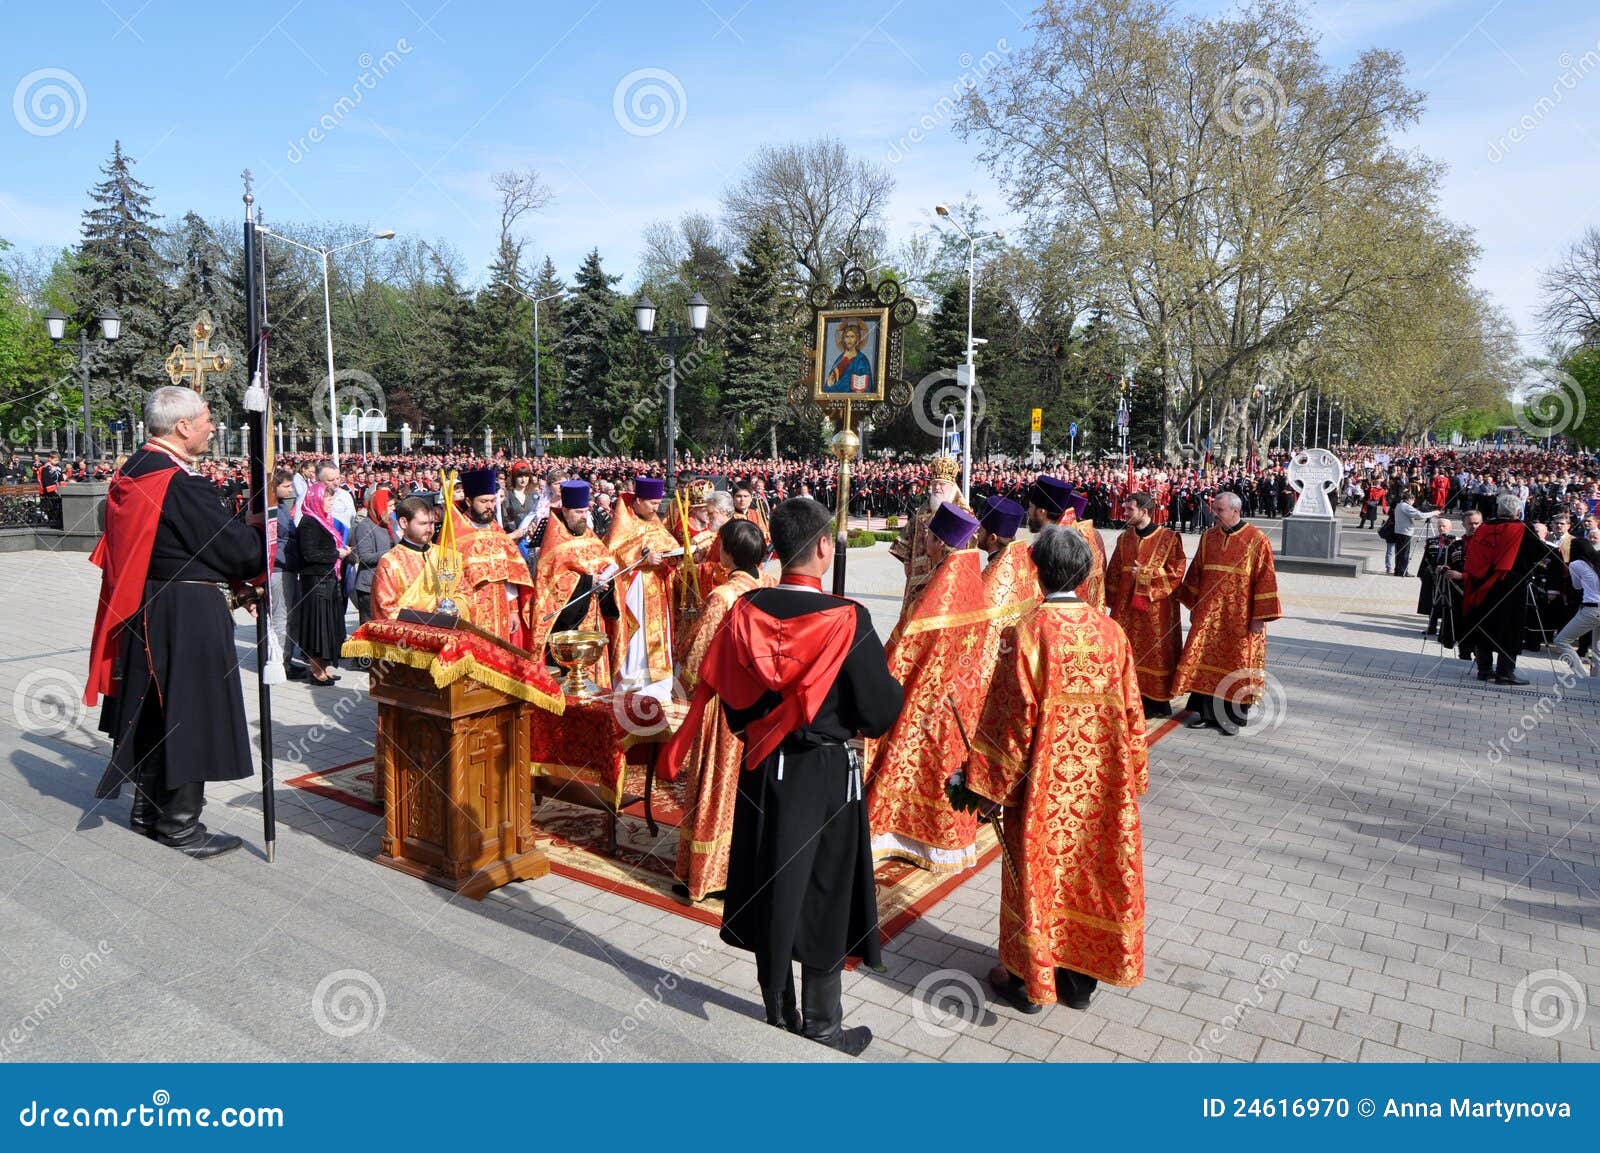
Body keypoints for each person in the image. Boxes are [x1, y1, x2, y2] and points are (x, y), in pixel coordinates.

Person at [661, 497, 903, 1054]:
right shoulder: (848, 619)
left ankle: (777, 1007)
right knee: (823, 887)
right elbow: (882, 710)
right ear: (824, 546)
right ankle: (822, 1023)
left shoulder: (745, 611)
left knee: (770, 878)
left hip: (764, 766)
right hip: (825, 775)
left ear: (775, 547)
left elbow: (730, 700)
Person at [964, 525, 1147, 1013]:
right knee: (1089, 875)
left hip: (1042, 789)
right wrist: (1134, 776)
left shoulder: (1025, 632)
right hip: (1104, 787)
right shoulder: (1112, 632)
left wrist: (987, 785)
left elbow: (1009, 720)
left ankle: (1027, 981)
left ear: (1037, 571)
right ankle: (1078, 981)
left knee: (1038, 875)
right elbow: (1132, 713)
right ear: (1084, 573)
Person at [85, 386, 264, 859]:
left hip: (151, 605)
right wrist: (255, 532)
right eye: (206, 418)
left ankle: (148, 812)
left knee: (156, 708)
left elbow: (184, 547)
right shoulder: (180, 483)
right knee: (192, 710)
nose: (212, 426)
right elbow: (237, 551)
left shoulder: (135, 470)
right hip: (187, 613)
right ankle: (181, 826)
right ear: (183, 426)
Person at [866, 502, 988, 873]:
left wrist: (882, 673)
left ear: (939, 542)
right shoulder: (967, 575)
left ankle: (902, 833)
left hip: (929, 694)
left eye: (929, 540)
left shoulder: (942, 585)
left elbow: (908, 644)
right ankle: (947, 840)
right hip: (962, 695)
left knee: (912, 757)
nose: (924, 546)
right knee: (943, 762)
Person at [671, 519, 773, 902]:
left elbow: (697, 662)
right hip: (759, 706)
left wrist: (685, 635)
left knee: (715, 785)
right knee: (747, 787)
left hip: (723, 706)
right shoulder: (768, 586)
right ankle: (745, 868)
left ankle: (707, 873)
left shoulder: (723, 596)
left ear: (729, 552)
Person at [1172, 491, 1282, 733]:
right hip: (1209, 617)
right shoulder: (1208, 537)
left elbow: (1266, 581)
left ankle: (1232, 719)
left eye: (1219, 510)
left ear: (1235, 511)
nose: (1214, 514)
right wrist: (1194, 605)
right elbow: (1196, 573)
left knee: (1237, 664)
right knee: (1205, 661)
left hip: (1240, 619)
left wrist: (1259, 618)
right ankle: (1207, 714)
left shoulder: (1256, 539)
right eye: (1214, 509)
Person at [528, 479, 619, 683]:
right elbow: (552, 583)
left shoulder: (589, 534)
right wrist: (588, 582)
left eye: (586, 511)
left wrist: (606, 581)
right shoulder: (555, 540)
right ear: (565, 510)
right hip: (569, 622)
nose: (583, 516)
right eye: (578, 512)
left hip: (594, 615)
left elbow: (605, 560)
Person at [1105, 490, 1187, 718]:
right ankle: (1128, 698)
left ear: (1144, 511)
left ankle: (1155, 703)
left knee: (1156, 653)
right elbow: (1113, 572)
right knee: (1126, 650)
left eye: (1129, 509)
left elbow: (1177, 572)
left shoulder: (1170, 538)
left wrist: (1147, 574)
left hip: (1157, 610)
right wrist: (1108, 603)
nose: (1124, 512)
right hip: (1126, 609)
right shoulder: (1124, 538)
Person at [1460, 492, 1551, 685]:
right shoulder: (1521, 528)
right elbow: (1540, 552)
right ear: (1517, 511)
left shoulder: (1484, 527)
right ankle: (1505, 672)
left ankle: (1484, 669)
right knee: (1510, 628)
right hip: (1510, 585)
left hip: (1482, 584)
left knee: (1484, 625)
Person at [448, 466, 536, 644]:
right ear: (469, 501)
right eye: (484, 501)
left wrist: (513, 611)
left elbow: (511, 576)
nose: (490, 506)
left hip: (501, 607)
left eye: (493, 501)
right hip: (470, 611)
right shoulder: (455, 532)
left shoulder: (497, 530)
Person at [606, 476, 679, 685]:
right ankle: (632, 680)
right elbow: (613, 553)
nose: (656, 508)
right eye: (652, 503)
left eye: (658, 503)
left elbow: (666, 543)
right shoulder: (623, 521)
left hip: (656, 585)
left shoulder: (653, 520)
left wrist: (673, 556)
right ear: (638, 500)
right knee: (636, 634)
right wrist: (642, 558)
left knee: (657, 631)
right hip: (634, 586)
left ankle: (657, 682)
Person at [888, 454, 966, 615]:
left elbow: (968, 546)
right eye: (935, 483)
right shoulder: (924, 508)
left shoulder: (962, 512)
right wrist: (907, 562)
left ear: (952, 486)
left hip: (946, 579)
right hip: (917, 578)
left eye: (942, 484)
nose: (937, 488)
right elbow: (906, 537)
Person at [295, 482, 351, 686]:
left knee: (328, 625)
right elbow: (309, 554)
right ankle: (315, 669)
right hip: (316, 581)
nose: (331, 502)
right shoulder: (309, 523)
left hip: (327, 580)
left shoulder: (323, 520)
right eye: (328, 499)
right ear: (316, 500)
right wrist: (336, 553)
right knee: (318, 626)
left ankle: (324, 667)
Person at [1026, 474, 1107, 610]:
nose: (1028, 512)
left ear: (1041, 511)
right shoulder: (1086, 536)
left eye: (1030, 507)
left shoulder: (1044, 548)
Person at [370, 496, 443, 619]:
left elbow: (463, 591)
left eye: (432, 523)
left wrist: (454, 607)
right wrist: (428, 620)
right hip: (411, 634)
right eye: (423, 523)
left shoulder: (443, 554)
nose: (429, 529)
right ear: (404, 523)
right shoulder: (390, 562)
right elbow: (385, 609)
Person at [1547, 531, 1600, 677]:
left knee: (1561, 640)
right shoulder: (1597, 562)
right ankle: (1596, 677)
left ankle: (1580, 674)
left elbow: (1577, 586)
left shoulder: (1576, 564)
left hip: (1591, 609)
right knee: (1597, 647)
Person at [350, 488, 395, 627]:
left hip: (386, 584)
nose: (393, 509)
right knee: (370, 628)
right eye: (390, 506)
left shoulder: (388, 525)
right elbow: (364, 556)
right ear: (380, 506)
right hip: (369, 587)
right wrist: (392, 552)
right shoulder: (365, 526)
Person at [1390, 484, 1437, 578]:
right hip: (1404, 532)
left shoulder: (1399, 505)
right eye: (1413, 501)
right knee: (1404, 553)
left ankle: (1398, 570)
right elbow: (1419, 515)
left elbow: (1414, 515)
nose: (1413, 503)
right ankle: (1403, 571)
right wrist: (1433, 513)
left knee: (1400, 552)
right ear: (1410, 499)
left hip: (1399, 531)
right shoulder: (1406, 506)